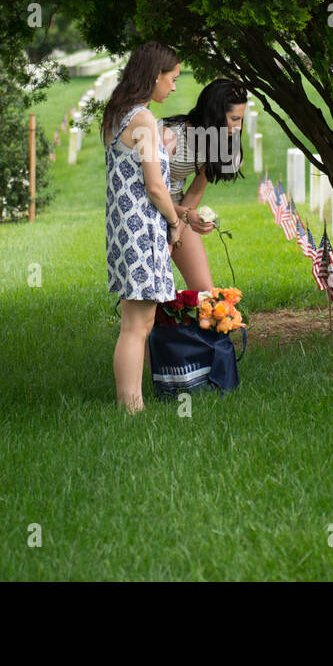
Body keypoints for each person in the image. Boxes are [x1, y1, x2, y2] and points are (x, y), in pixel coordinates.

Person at [102, 42, 184, 413]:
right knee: (137, 325)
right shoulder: (143, 119)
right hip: (142, 231)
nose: (174, 87)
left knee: (136, 321)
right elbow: (154, 185)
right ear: (155, 76)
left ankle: (131, 403)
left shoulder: (119, 113)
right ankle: (130, 407)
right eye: (172, 79)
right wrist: (174, 220)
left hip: (124, 230)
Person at [159, 79, 247, 292]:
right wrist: (182, 218)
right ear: (215, 114)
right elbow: (151, 190)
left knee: (204, 292)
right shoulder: (168, 136)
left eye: (241, 120)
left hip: (177, 206)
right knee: (154, 290)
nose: (239, 127)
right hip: (148, 205)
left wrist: (178, 230)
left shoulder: (219, 141)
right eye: (234, 119)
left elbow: (196, 189)